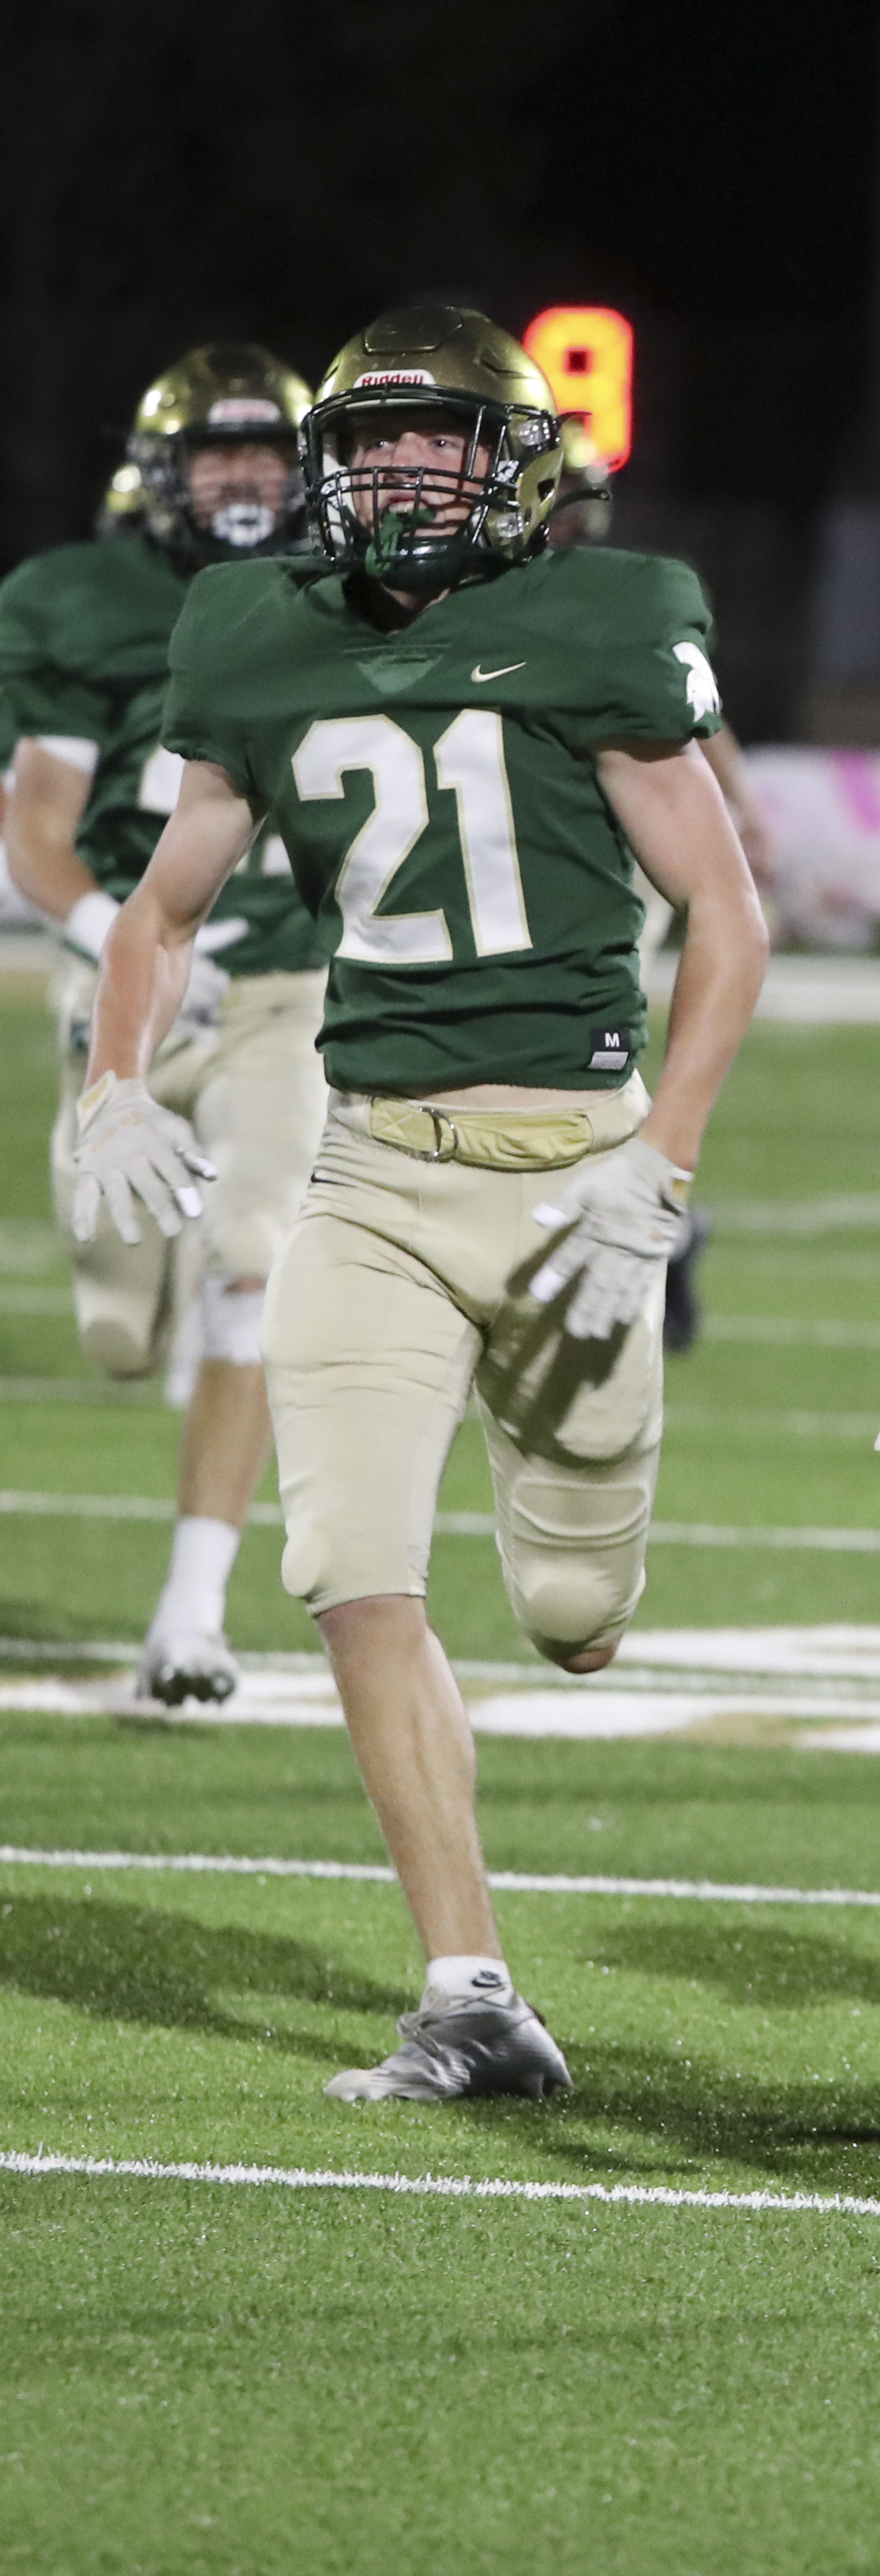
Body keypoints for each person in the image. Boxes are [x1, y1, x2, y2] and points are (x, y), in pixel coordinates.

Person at [74, 304, 767, 2101]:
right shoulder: (251, 636)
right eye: (372, 441)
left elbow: (730, 921)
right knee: (350, 1570)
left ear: (515, 467)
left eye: (441, 439)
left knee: (570, 1617)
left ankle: (569, 1637)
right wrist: (108, 1082)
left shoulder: (603, 623)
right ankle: (469, 1991)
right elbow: (157, 910)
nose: (401, 471)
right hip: (371, 1167)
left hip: (566, 1179)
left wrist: (658, 1166)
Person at [0, 345, 329, 1703]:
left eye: (267, 455)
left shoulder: (348, 598)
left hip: (288, 984)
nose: (245, 480)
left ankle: (190, 1623)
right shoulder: (79, 602)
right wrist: (119, 944)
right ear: (160, 474)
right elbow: (37, 833)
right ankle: (180, 1313)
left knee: (256, 1263)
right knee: (120, 1337)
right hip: (134, 990)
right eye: (217, 457)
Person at [548, 417, 769, 1351]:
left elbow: (689, 708)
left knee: (592, 1029)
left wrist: (741, 801)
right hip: (541, 845)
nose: (558, 523)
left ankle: (656, 1215)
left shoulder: (610, 601)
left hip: (609, 850)